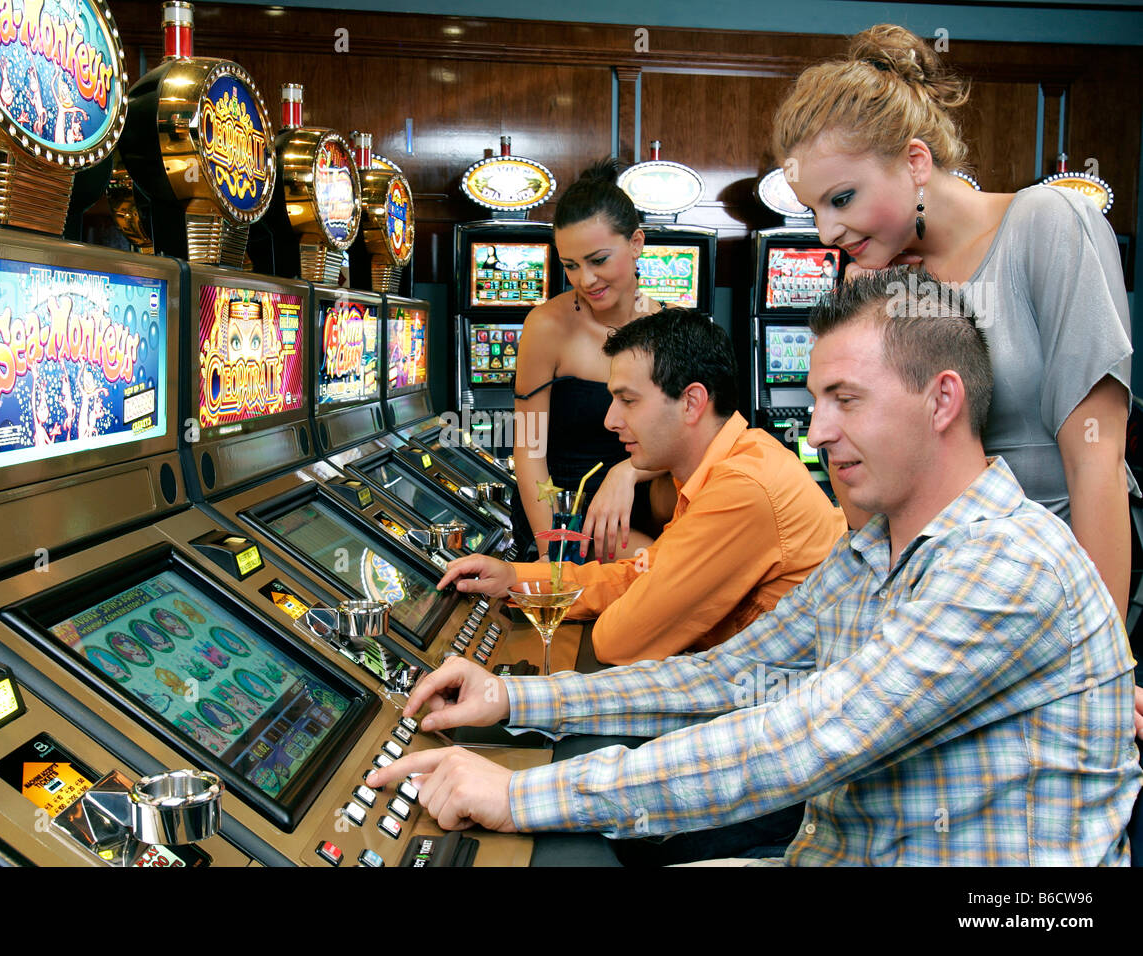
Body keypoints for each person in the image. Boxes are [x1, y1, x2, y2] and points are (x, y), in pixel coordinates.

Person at [368, 269, 1141, 865]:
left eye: (845, 399)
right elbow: (726, 678)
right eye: (816, 398)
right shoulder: (874, 549)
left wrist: (520, 793)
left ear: (942, 400)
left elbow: (803, 739)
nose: (820, 429)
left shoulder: (1004, 562)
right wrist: (517, 697)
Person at [772, 25, 1134, 626]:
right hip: (933, 601)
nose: (826, 232)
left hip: (1053, 586)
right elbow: (868, 503)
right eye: (813, 209)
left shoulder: (1048, 224)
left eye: (841, 199)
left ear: (916, 162)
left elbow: (1097, 459)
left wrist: (1099, 661)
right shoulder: (875, 285)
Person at [441, 308, 845, 666]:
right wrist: (516, 577)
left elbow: (617, 640)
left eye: (628, 401)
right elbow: (637, 578)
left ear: (691, 402)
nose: (610, 420)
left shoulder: (741, 487)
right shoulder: (726, 462)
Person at [512, 159, 672, 564]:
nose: (585, 280)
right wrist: (555, 544)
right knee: (667, 573)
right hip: (566, 511)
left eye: (598, 260)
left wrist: (629, 473)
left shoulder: (670, 325)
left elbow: (697, 443)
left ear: (636, 243)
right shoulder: (546, 326)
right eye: (570, 265)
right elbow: (529, 449)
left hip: (647, 503)